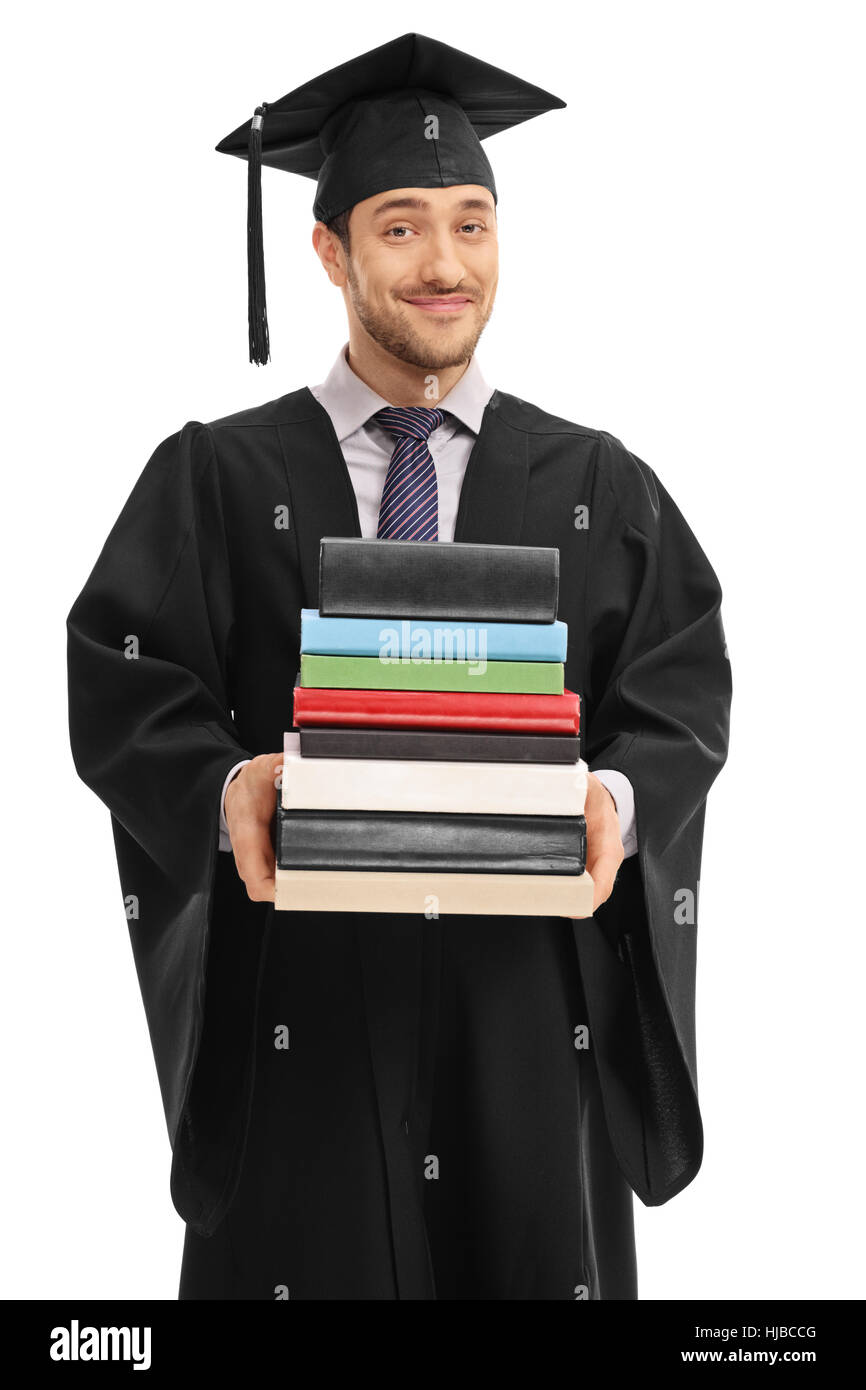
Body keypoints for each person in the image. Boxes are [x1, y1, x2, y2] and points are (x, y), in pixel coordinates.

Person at [66, 32, 732, 1300]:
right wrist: (223, 790)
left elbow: (680, 684)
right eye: (401, 227)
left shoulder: (595, 480)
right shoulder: (217, 476)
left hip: (531, 1015)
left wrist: (617, 801)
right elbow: (121, 671)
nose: (444, 264)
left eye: (473, 224)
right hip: (302, 1016)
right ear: (329, 252)